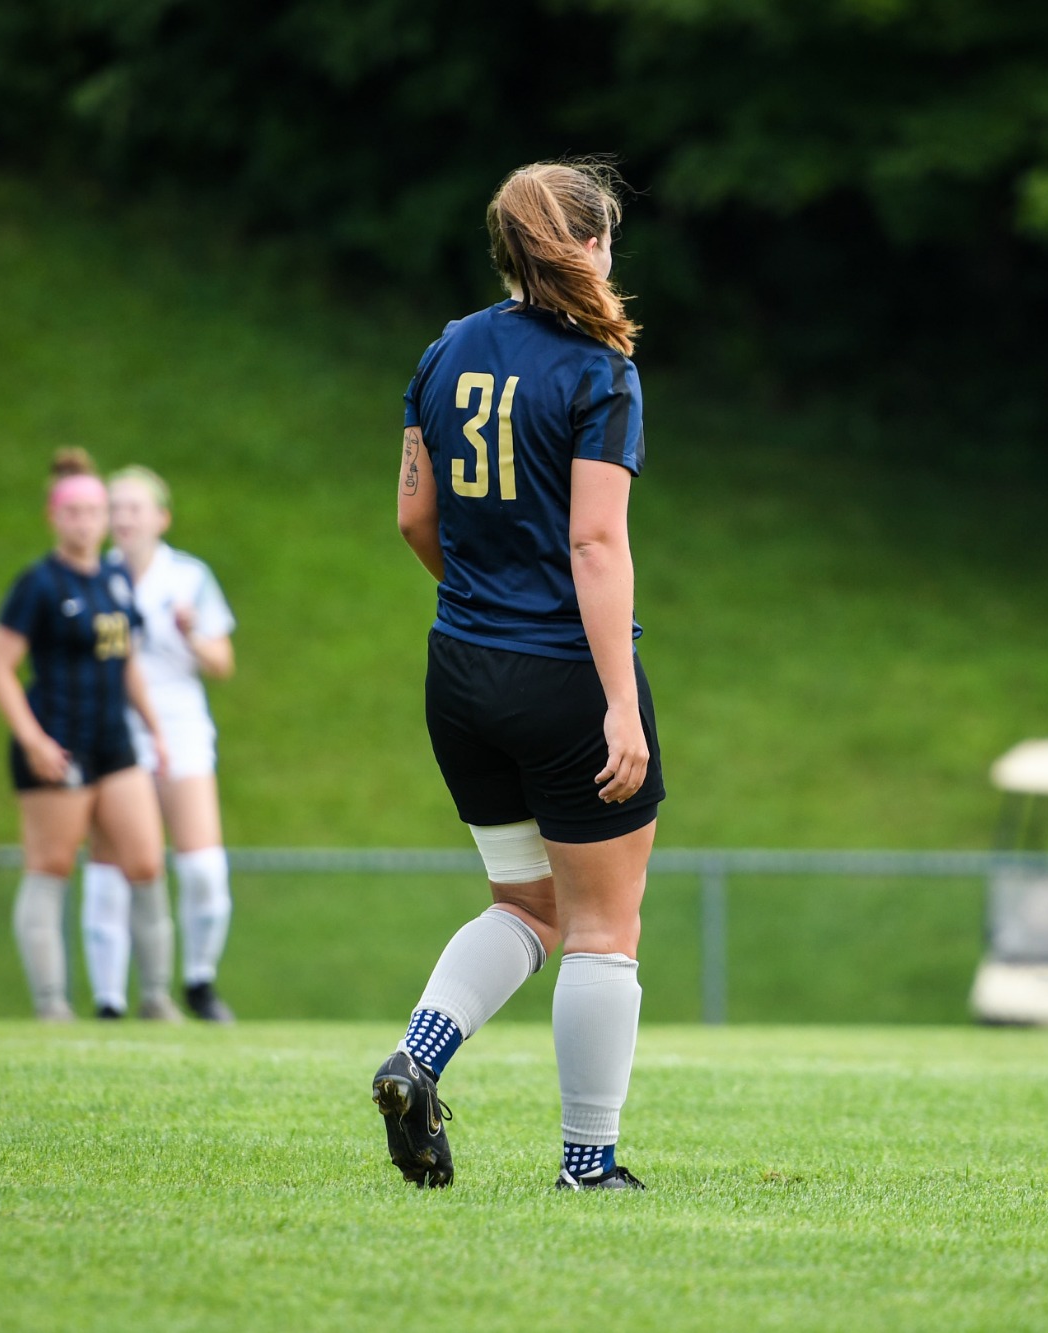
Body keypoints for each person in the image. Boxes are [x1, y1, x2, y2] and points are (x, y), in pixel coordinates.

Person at [374, 159, 663, 1191]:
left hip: (458, 671)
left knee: (525, 905)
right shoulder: (599, 369)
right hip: (561, 681)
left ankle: (419, 1057)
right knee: (600, 925)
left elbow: (415, 518)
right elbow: (595, 545)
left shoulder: (444, 351)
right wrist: (619, 702)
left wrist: (483, 604)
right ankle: (588, 1164)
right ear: (586, 244)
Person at [0, 450, 174, 1022]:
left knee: (145, 864)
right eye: (76, 512)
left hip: (114, 744)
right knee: (51, 867)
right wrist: (35, 740)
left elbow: (128, 661)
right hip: (58, 742)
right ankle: (51, 1005)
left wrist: (156, 731)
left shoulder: (115, 578)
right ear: (54, 516)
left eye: (96, 511)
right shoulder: (38, 584)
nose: (87, 522)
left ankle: (157, 998)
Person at [81, 466, 238, 1022]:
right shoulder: (96, 577)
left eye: (133, 507)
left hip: (181, 727)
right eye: (114, 507)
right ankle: (109, 998)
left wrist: (190, 631)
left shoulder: (189, 576)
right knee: (114, 865)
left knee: (201, 868)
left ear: (160, 517)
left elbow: (222, 662)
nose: (122, 518)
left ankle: (199, 980)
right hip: (115, 730)